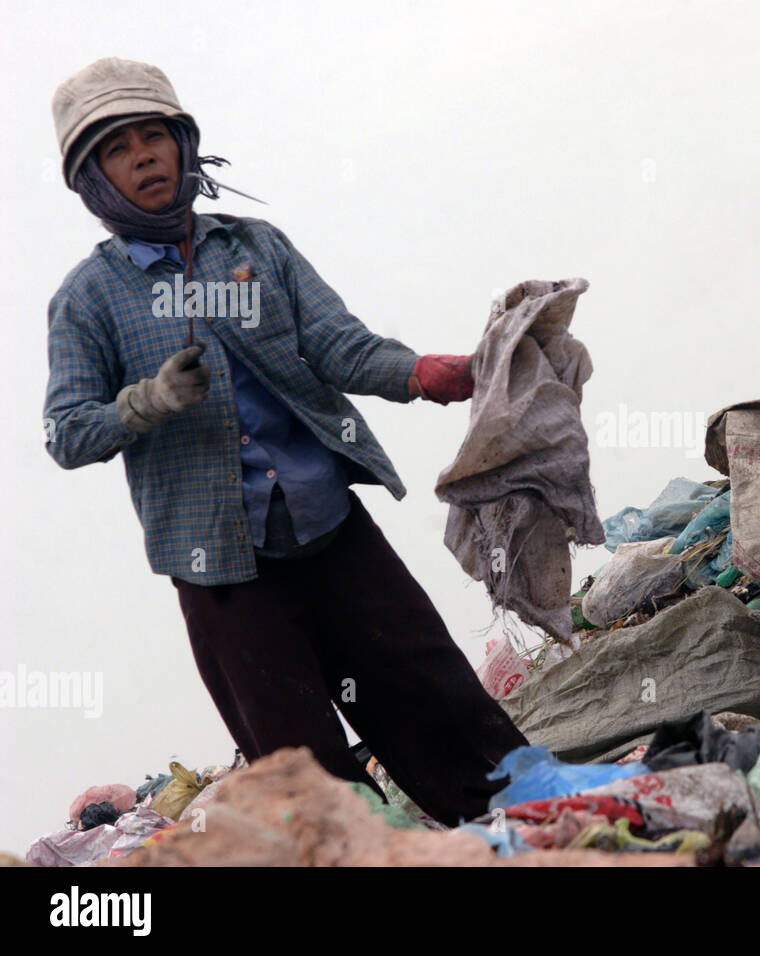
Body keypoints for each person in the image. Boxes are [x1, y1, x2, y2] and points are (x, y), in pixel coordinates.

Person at [44, 57, 528, 825]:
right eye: (116, 149)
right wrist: (148, 401)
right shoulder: (88, 299)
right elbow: (67, 433)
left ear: (183, 144)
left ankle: (531, 827)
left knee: (433, 690)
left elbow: (341, 346)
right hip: (220, 569)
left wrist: (427, 372)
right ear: (93, 180)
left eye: (153, 137)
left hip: (327, 524)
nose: (143, 156)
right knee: (300, 768)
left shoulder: (257, 248)